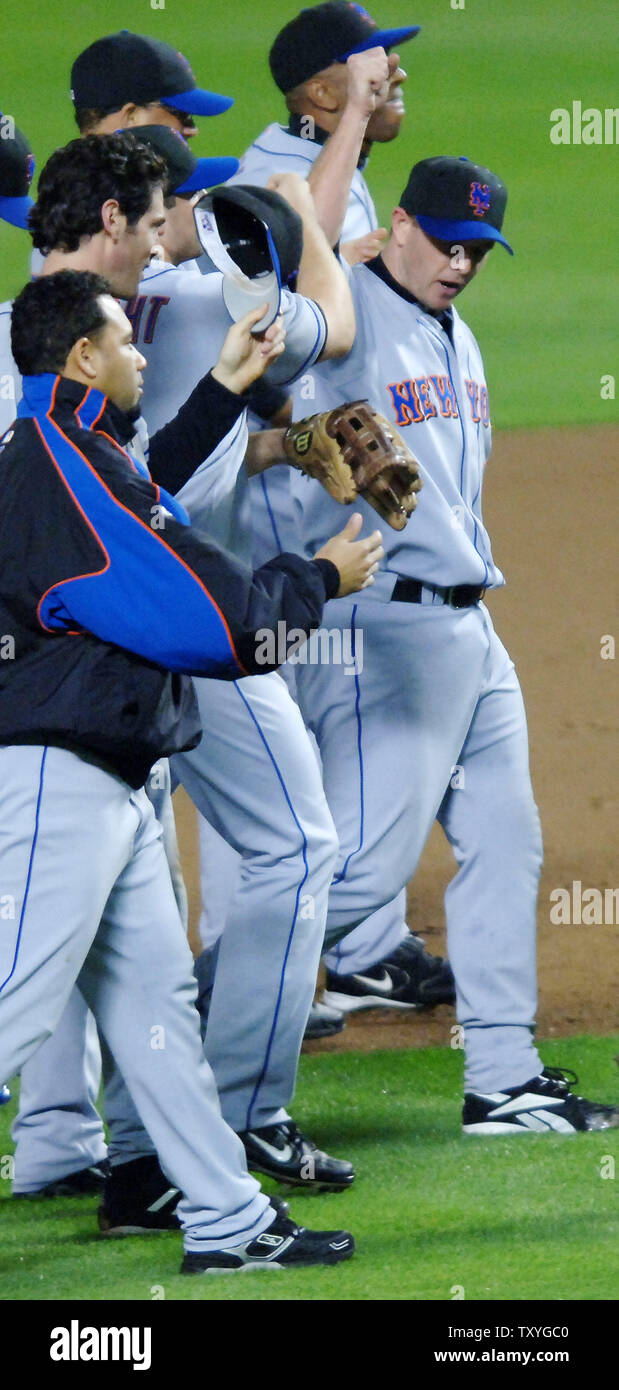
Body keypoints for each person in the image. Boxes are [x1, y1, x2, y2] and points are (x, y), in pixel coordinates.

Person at [0, 266, 380, 1269]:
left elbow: (147, 493)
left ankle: (227, 1221)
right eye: (126, 342)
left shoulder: (69, 448)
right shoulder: (57, 462)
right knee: (8, 1011)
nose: (138, 355)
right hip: (54, 781)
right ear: (82, 355)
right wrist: (316, 579)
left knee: (156, 1016)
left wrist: (220, 385)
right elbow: (217, 624)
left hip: (106, 777)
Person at [286, 154, 619, 1135]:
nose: (462, 263)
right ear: (395, 224)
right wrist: (326, 247)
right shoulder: (340, 310)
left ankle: (503, 1079)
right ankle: (183, 1022)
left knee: (506, 838)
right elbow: (284, 382)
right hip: (385, 624)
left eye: (478, 249)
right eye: (444, 241)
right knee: (352, 884)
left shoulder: (456, 333)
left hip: (468, 628)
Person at [122, 126, 375, 1189]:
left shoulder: (52, 325)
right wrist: (299, 209)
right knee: (295, 846)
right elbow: (340, 324)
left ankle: (126, 1151)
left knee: (116, 897)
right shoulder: (195, 301)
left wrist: (277, 441)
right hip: (185, 611)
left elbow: (167, 457)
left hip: (72, 625)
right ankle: (242, 1114)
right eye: (176, 198)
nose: (192, 213)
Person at [218, 5, 457, 1014]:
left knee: (298, 753)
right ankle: (261, 979)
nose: (392, 74)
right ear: (322, 90)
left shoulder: (327, 151)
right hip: (271, 506)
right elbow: (284, 269)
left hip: (301, 479)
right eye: (372, 65)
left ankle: (353, 943)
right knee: (277, 746)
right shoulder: (279, 158)